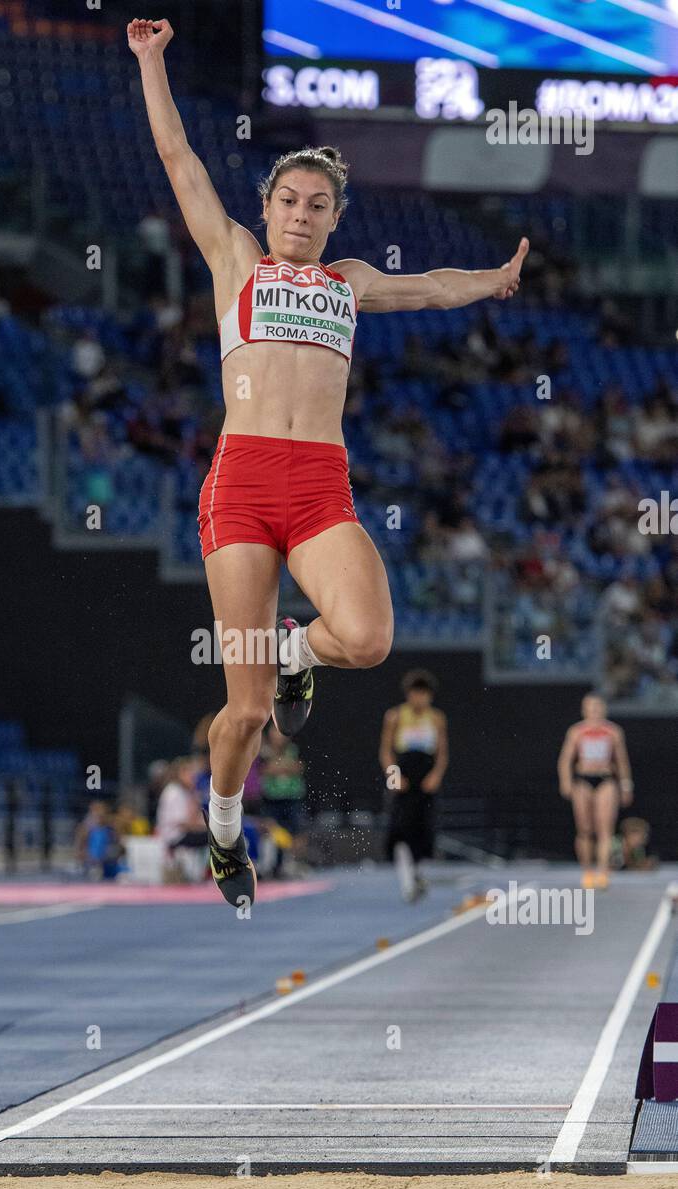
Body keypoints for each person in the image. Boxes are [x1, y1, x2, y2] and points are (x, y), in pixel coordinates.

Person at [129, 18, 527, 909]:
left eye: (317, 205)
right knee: (242, 709)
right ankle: (226, 834)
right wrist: (154, 60)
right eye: (289, 201)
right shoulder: (234, 259)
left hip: (318, 486)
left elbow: (427, 286)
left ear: (334, 218)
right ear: (267, 208)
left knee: (371, 638)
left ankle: (300, 652)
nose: (301, 215)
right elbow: (178, 158)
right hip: (239, 488)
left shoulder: (347, 281)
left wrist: (491, 280)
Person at [378, 670, 448, 902]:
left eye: (424, 694)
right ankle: (406, 878)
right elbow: (386, 751)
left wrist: (436, 775)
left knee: (424, 828)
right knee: (400, 828)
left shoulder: (436, 718)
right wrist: (393, 775)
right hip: (403, 776)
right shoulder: (396, 716)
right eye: (415, 694)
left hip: (425, 778)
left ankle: (418, 871)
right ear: (409, 694)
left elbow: (442, 753)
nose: (419, 699)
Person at [557, 693, 633, 889]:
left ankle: (602, 871)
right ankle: (587, 871)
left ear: (603, 709)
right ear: (584, 710)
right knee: (584, 828)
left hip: (605, 780)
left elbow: (622, 760)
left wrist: (626, 784)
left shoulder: (613, 731)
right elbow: (565, 759)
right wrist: (565, 781)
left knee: (604, 828)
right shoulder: (576, 732)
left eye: (597, 707)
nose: (594, 712)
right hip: (583, 780)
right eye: (590, 708)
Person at [260, 723, 308, 865]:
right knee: (272, 830)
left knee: (298, 832)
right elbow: (265, 770)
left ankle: (297, 863)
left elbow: (299, 767)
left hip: (293, 798)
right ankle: (274, 864)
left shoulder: (294, 749)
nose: (278, 736)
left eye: (280, 732)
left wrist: (277, 767)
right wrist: (286, 767)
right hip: (271, 799)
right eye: (274, 732)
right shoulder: (264, 751)